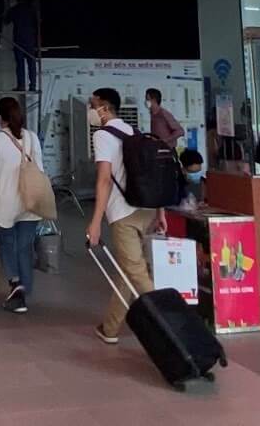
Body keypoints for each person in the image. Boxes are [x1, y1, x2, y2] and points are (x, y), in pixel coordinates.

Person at [86, 88, 165, 344]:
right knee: (127, 269)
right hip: (146, 209)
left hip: (123, 214)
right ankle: (110, 328)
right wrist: (161, 211)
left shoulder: (102, 136)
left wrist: (96, 221)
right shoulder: (135, 132)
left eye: (93, 104)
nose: (91, 109)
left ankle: (174, 330)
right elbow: (153, 174)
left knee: (138, 274)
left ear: (105, 108)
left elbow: (104, 180)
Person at [0, 96, 44, 314]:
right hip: (30, 204)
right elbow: (41, 171)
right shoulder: (32, 138)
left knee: (7, 245)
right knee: (24, 247)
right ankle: (24, 289)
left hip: (5, 205)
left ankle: (16, 285)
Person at [5, 0, 38, 92]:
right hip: (30, 40)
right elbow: (37, 24)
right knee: (31, 63)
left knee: (20, 64)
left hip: (18, 39)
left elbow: (6, 21)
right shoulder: (31, 9)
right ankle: (32, 86)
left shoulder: (15, 9)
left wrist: (7, 8)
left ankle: (21, 85)